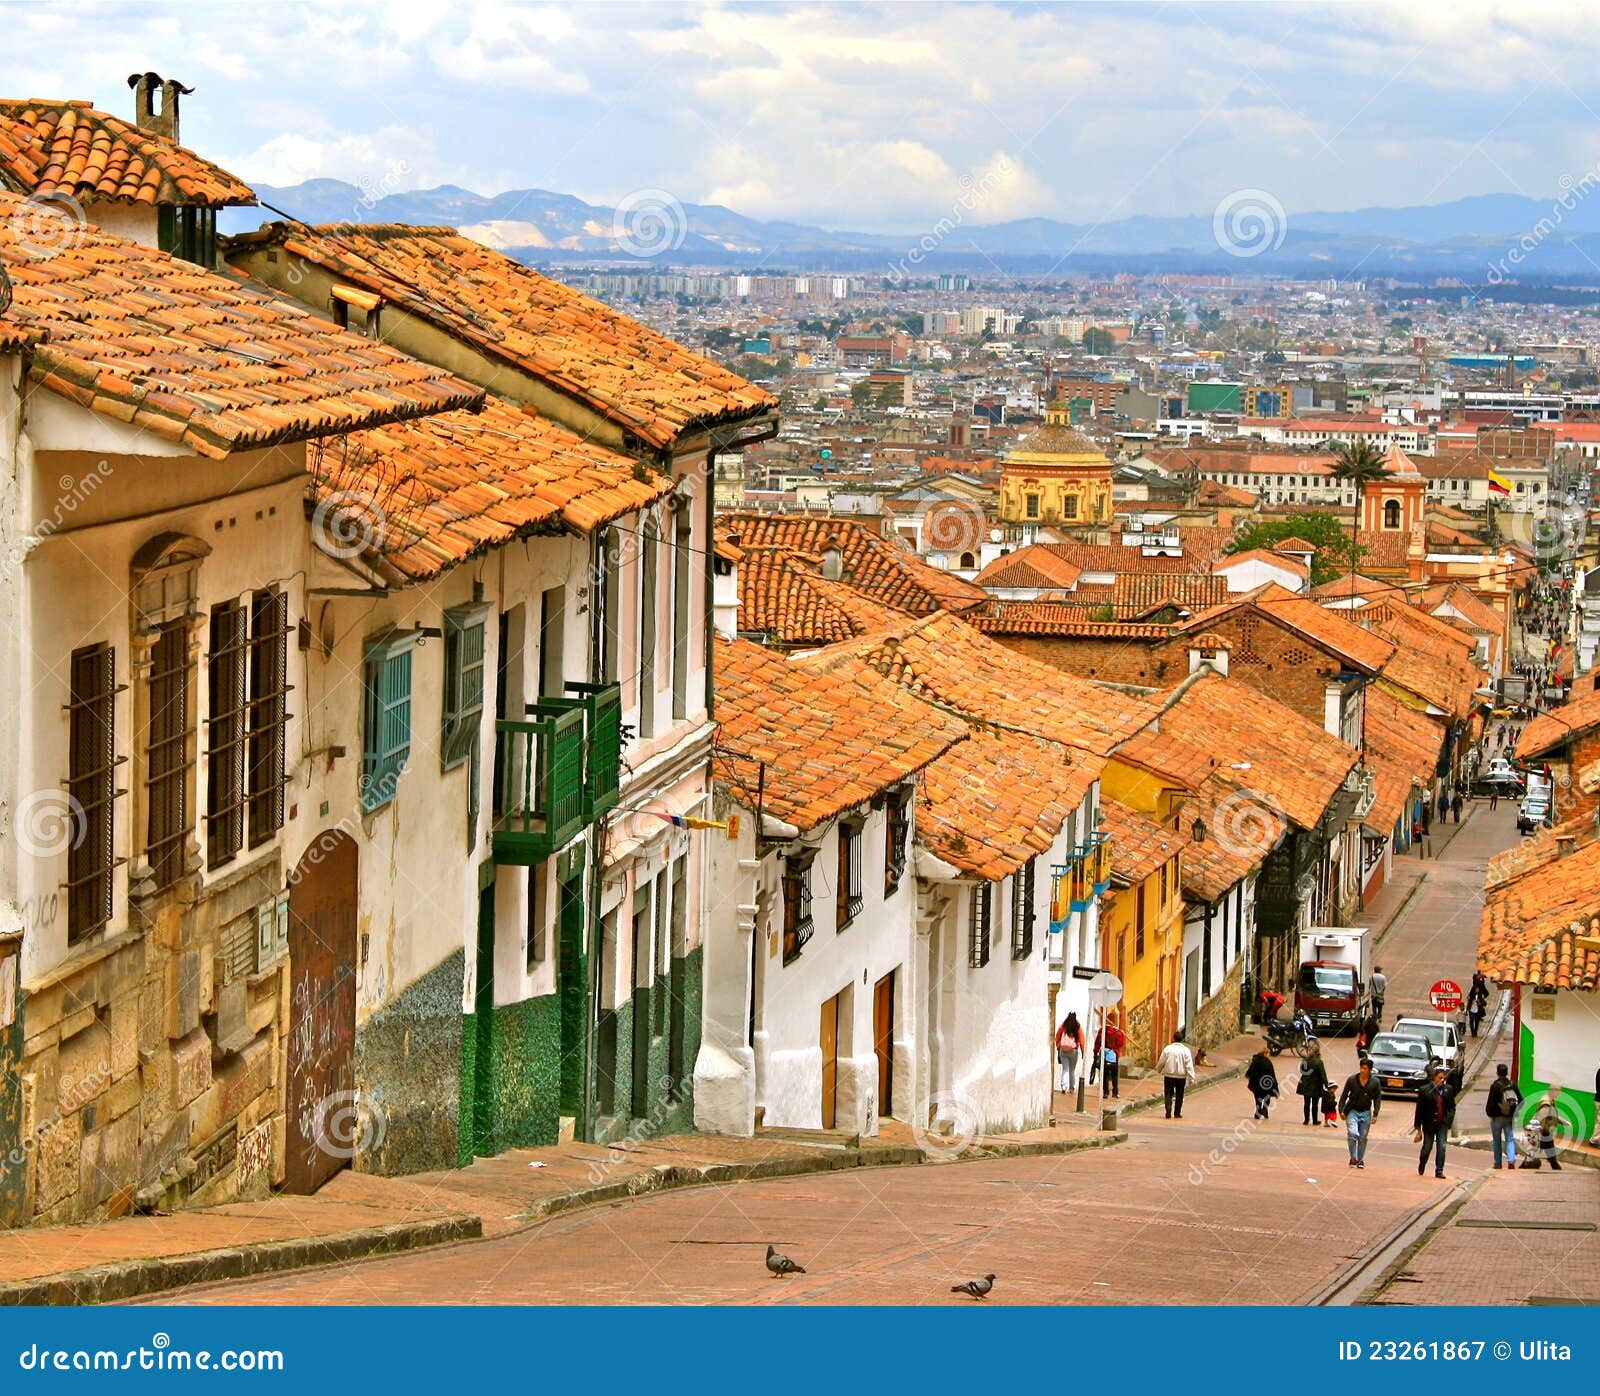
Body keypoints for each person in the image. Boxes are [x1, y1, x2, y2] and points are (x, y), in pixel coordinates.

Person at [1340, 1058, 1383, 1169]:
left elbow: (1377, 1099)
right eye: (1361, 1068)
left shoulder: (1375, 1082)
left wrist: (1375, 1114)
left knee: (1363, 1137)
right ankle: (1352, 1157)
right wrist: (1341, 1110)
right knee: (1353, 1133)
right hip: (1352, 1111)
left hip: (1366, 1112)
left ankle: (1360, 1159)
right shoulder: (1352, 1080)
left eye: (1365, 1068)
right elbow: (1344, 1095)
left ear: (1370, 1070)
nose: (1362, 1070)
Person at [1414, 1065, 1456, 1179]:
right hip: (1429, 1124)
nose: (1442, 1080)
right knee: (1427, 1147)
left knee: (1442, 1146)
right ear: (1434, 1078)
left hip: (1442, 1123)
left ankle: (1439, 1170)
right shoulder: (1425, 1090)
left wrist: (1449, 1119)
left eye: (1444, 1078)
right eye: (1440, 1077)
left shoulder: (1448, 1090)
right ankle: (1422, 1163)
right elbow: (1419, 1109)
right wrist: (1417, 1126)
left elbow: (1452, 1106)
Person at [1485, 1063, 1520, 1170]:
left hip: (1497, 1118)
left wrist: (1489, 1113)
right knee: (1510, 1138)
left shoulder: (1495, 1086)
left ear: (1497, 1073)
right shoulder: (1512, 1085)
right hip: (1509, 1117)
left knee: (1497, 1140)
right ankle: (1511, 1159)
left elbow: (1491, 1102)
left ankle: (1498, 1163)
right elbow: (1521, 1099)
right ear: (1506, 1072)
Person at [1156, 1029, 1197, 1119]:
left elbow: (1161, 1061)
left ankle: (1168, 1109)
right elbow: (1189, 1065)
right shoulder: (1186, 1050)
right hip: (1181, 1076)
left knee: (1168, 1093)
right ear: (1182, 1039)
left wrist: (1158, 1069)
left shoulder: (1167, 1049)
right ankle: (1177, 1112)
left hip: (1169, 1075)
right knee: (1180, 1094)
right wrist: (1191, 1077)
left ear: (1173, 1039)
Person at [1297, 1043, 1329, 1126]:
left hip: (1305, 1084)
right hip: (1316, 1085)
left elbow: (1301, 1070)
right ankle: (1315, 1120)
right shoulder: (1319, 1062)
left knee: (1306, 1103)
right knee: (1315, 1104)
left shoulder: (1305, 1060)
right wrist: (1326, 1085)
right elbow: (1322, 1075)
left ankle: (1306, 1120)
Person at [1246, 1041, 1277, 1119]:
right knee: (1267, 1098)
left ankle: (1258, 1113)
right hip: (1266, 1084)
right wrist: (1275, 1086)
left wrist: (1251, 1080)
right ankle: (1264, 1110)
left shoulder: (1255, 1061)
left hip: (1256, 1085)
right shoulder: (1268, 1062)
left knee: (1258, 1099)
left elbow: (1250, 1072)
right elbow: (1272, 1075)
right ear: (1266, 1054)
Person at [1055, 1013, 1083, 1093]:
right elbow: (1082, 1039)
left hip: (1063, 1050)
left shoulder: (1063, 1026)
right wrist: (1083, 1051)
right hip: (1073, 1051)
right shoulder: (1078, 1027)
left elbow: (1058, 1035)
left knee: (1065, 1069)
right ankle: (1072, 1088)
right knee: (1072, 1070)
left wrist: (1058, 1045)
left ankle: (1064, 1086)